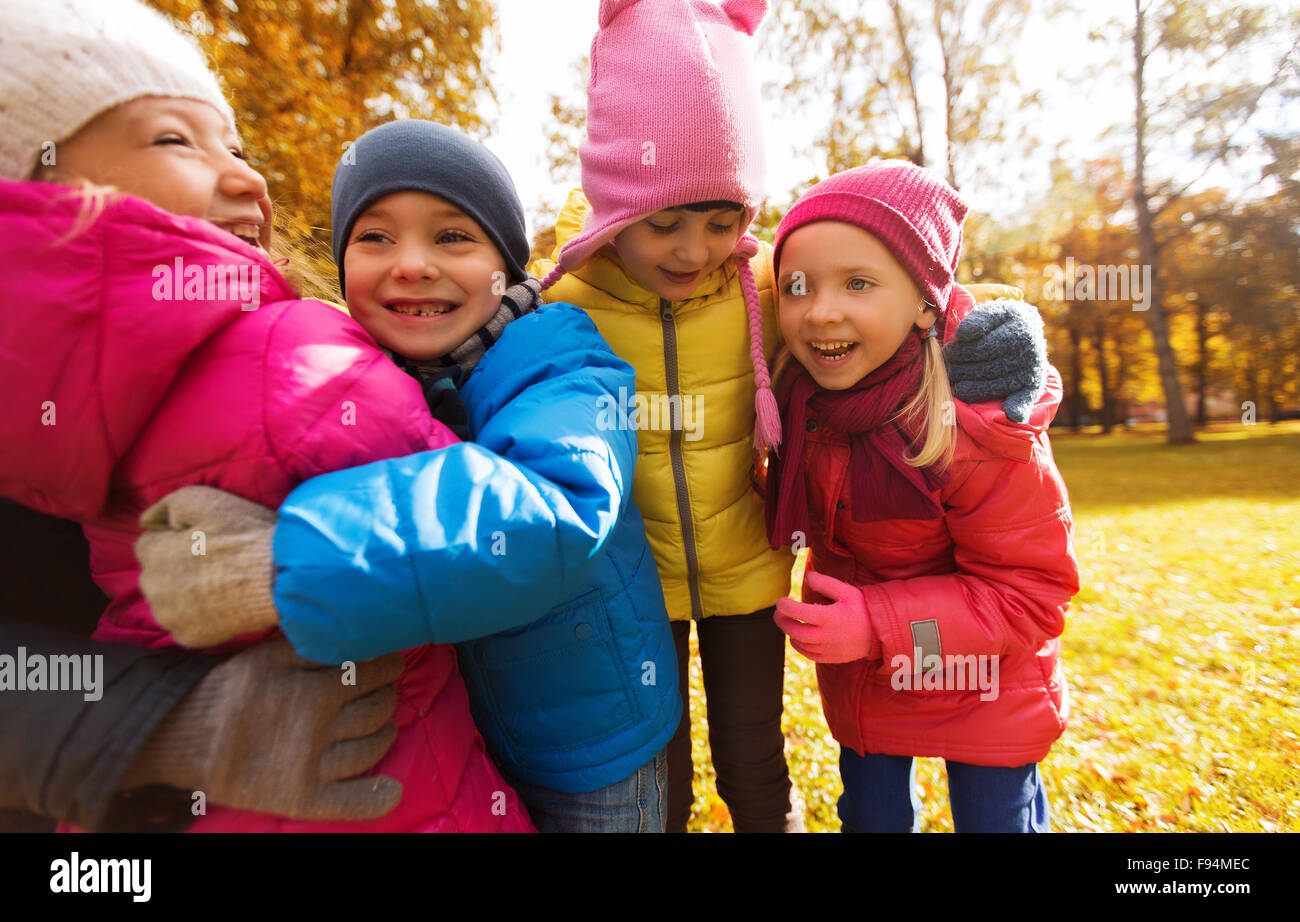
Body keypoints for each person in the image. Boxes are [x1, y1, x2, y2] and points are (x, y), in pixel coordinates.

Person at [0, 0, 531, 833]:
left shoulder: (264, 344)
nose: (250, 178)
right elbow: (525, 524)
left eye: (240, 148)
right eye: (175, 140)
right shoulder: (294, 349)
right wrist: (160, 722)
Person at [530, 0, 1049, 832]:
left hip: (745, 573)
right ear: (614, 198)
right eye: (663, 221)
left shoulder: (770, 285)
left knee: (753, 758)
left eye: (723, 219)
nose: (694, 249)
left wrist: (993, 342)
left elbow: (892, 309)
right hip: (629, 585)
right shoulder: (559, 300)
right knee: (653, 771)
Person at [138, 120, 681, 832]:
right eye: (376, 238)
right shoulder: (365, 379)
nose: (413, 264)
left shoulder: (565, 362)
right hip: (469, 736)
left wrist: (284, 559)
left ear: (506, 263)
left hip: (591, 749)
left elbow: (556, 503)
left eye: (453, 237)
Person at [764, 161, 1080, 832]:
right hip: (871, 681)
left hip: (988, 678)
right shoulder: (800, 402)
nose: (820, 310)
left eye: (859, 283)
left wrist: (878, 626)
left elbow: (1030, 595)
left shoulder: (979, 425)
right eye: (798, 286)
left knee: (997, 818)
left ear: (924, 303)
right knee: (872, 817)